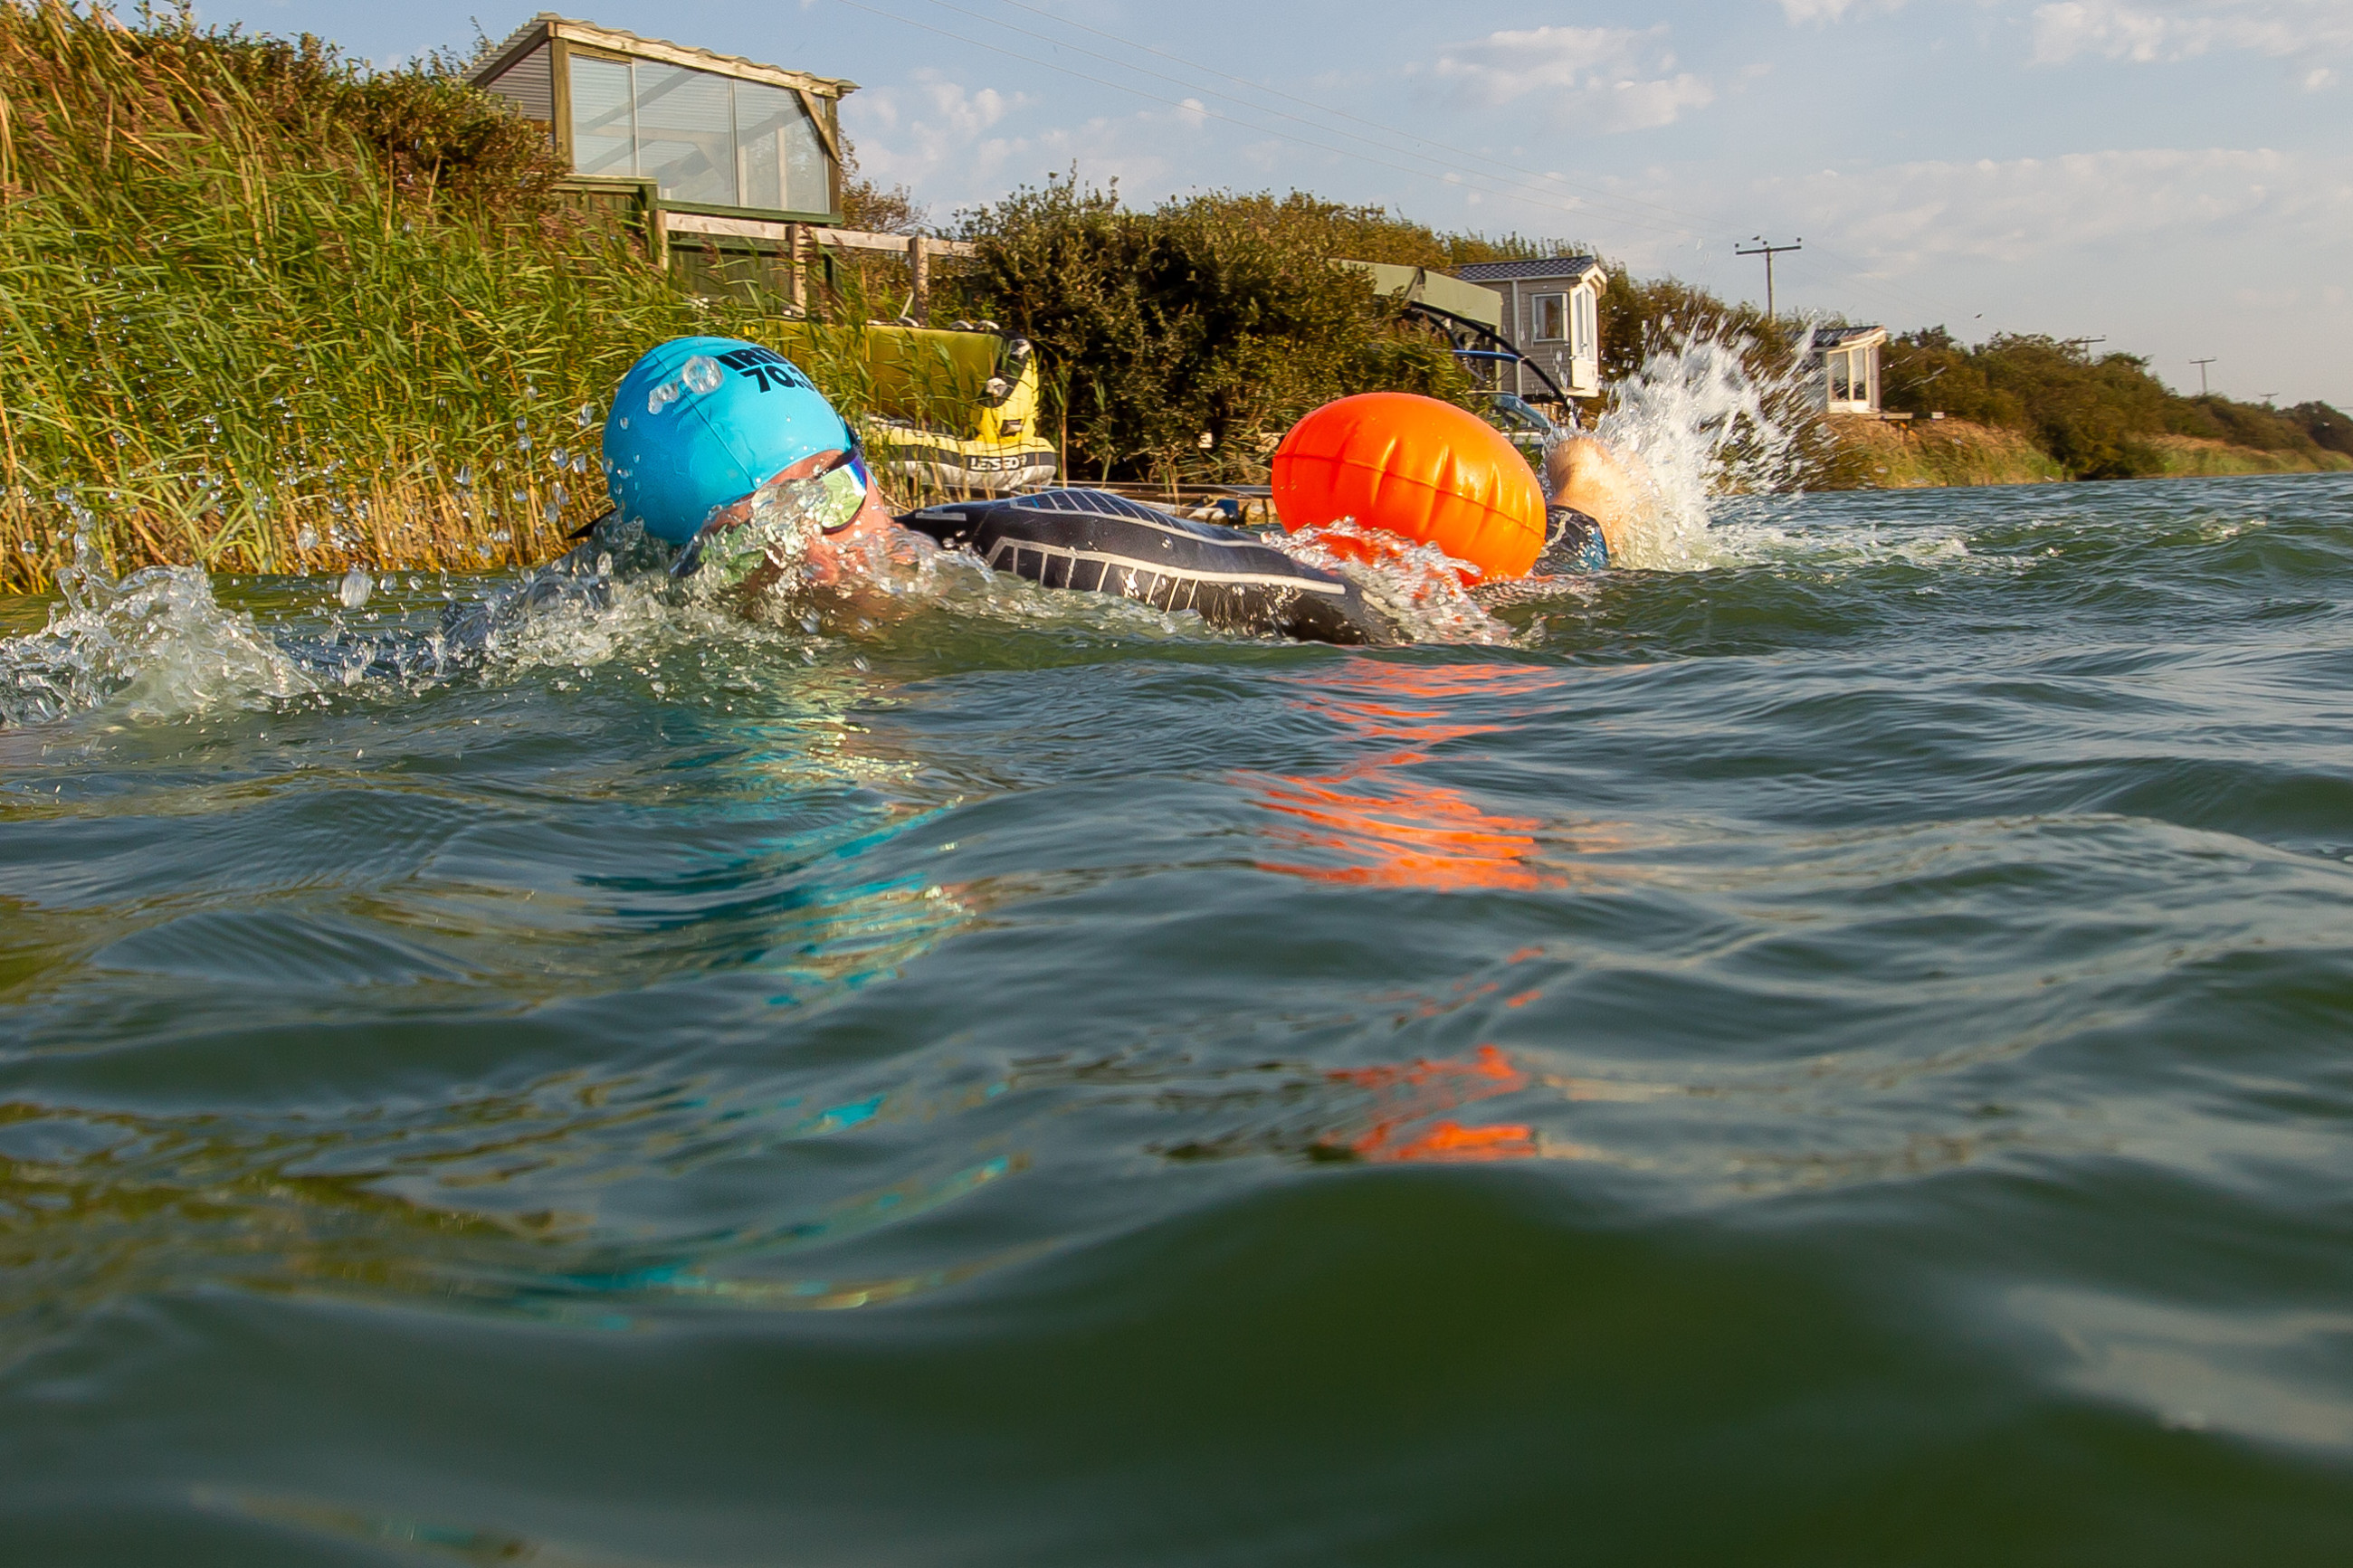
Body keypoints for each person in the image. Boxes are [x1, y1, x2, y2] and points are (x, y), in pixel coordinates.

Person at [579, 337, 1652, 644]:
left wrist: (1464, 646)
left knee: (1541, 569)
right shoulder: (641, 599)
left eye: (827, 498)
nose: (818, 557)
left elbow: (1328, 601)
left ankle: (1582, 488)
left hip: (1273, 561)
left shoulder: (1034, 563)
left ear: (866, 471)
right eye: (750, 538)